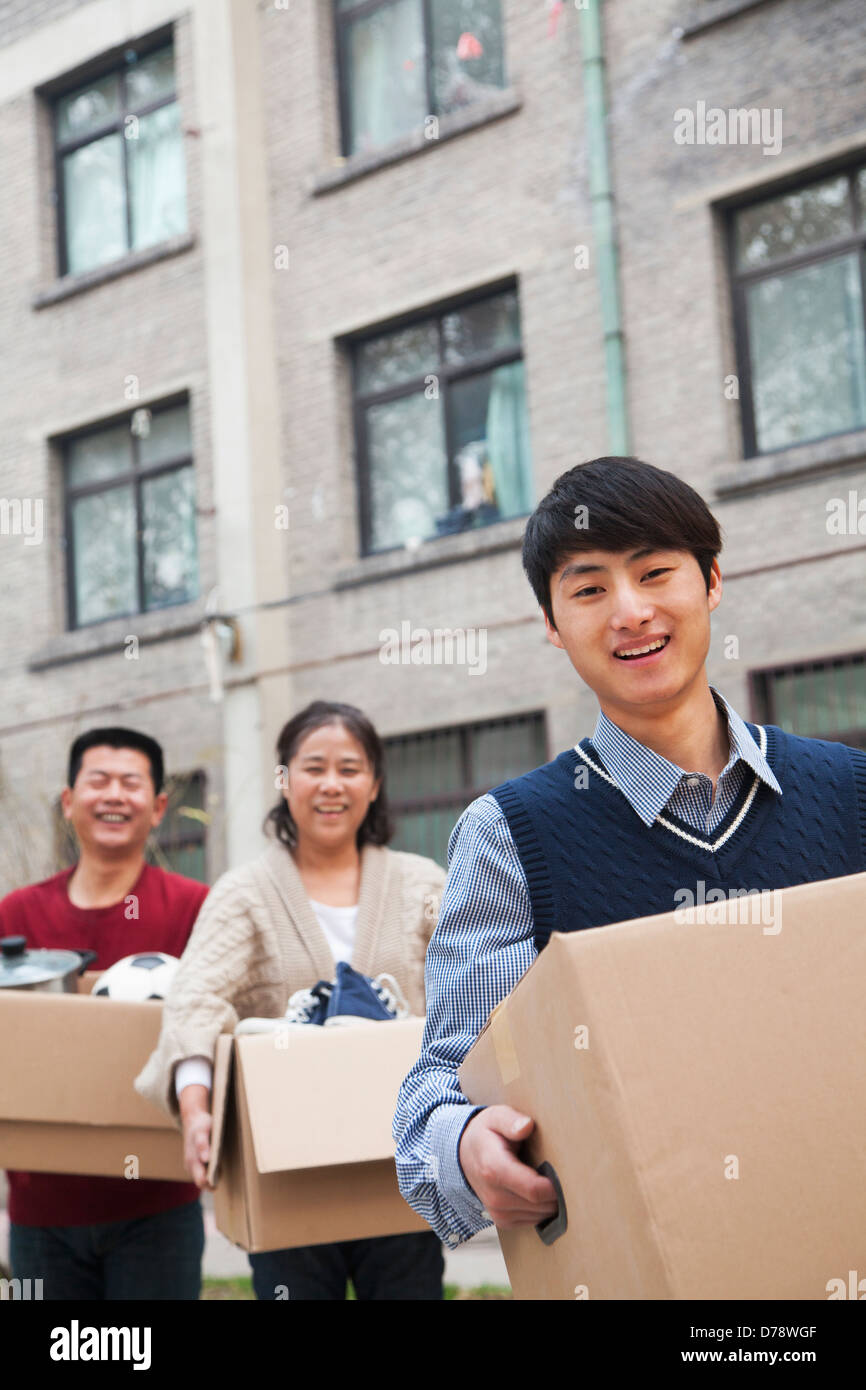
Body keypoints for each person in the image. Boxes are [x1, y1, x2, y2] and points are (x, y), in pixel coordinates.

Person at [393, 454, 866, 1248]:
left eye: (656, 572)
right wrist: (468, 1144)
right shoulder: (513, 835)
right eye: (588, 589)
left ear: (712, 581)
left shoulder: (848, 792)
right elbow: (440, 1085)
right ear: (550, 623)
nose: (630, 611)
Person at [136, 700, 447, 1300]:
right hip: (286, 1171)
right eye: (313, 767)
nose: (332, 784)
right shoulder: (244, 894)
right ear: (285, 780)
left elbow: (472, 992)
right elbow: (195, 1001)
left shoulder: (423, 883)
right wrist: (196, 1108)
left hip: (400, 1165)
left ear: (375, 784)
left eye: (350, 768)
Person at [3, 727, 208, 1300]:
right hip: (41, 1211)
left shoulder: (197, 909)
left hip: (158, 1206)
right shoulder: (16, 917)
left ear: (159, 807)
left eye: (130, 783)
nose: (114, 795)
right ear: (69, 802)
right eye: (98, 781)